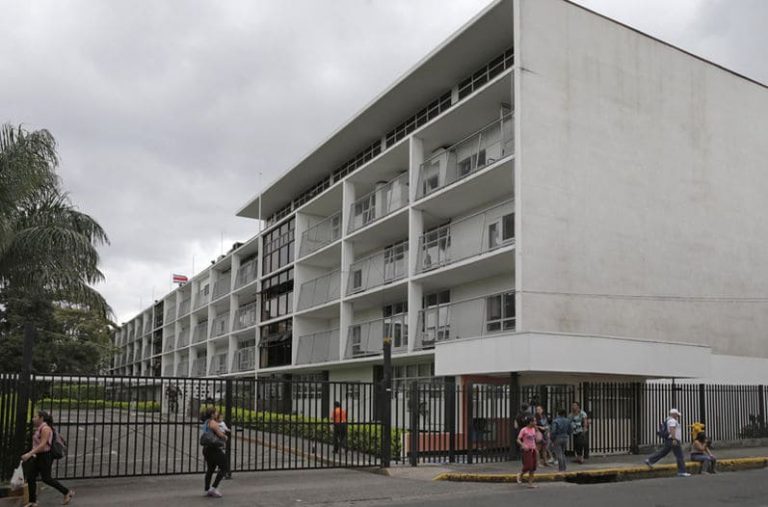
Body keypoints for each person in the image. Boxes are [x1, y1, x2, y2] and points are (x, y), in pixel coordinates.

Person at [21, 410, 75, 506]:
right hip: (39, 455)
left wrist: (29, 454)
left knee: (46, 478)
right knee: (31, 476)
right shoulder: (40, 428)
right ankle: (32, 501)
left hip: (45, 456)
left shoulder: (45, 429)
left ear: (41, 418)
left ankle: (67, 492)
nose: (33, 419)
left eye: (35, 417)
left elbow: (42, 445)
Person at [644, 408, 690, 477]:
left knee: (663, 452)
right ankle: (682, 471)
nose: (678, 416)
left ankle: (650, 460)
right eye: (677, 415)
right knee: (679, 455)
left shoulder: (668, 420)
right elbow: (672, 429)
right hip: (673, 440)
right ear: (674, 414)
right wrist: (674, 439)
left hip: (669, 440)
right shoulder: (672, 421)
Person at [200, 407, 229, 497]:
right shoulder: (213, 422)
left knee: (211, 468)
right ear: (212, 414)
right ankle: (213, 488)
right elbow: (220, 434)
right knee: (224, 466)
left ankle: (207, 488)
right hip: (214, 449)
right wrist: (225, 437)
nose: (217, 414)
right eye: (216, 412)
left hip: (206, 449)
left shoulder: (206, 422)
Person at [516, 416, 539, 488]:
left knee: (533, 467)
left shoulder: (534, 429)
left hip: (533, 449)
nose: (535, 422)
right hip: (527, 450)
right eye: (534, 421)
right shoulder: (524, 430)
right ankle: (520, 474)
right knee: (529, 466)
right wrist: (523, 445)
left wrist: (536, 449)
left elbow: (534, 440)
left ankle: (530, 483)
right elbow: (518, 439)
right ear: (530, 422)